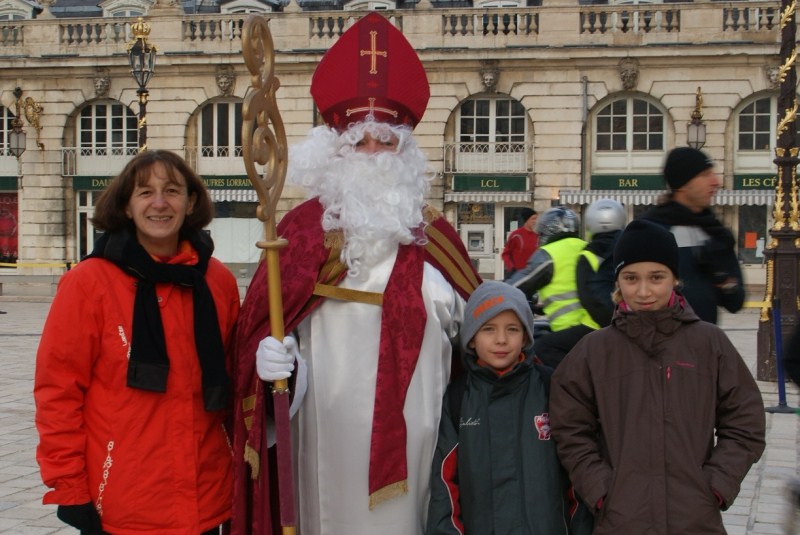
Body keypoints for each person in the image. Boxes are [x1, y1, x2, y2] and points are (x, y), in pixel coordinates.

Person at [230, 12, 481, 535]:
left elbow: (479, 337)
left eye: (385, 143)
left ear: (406, 151)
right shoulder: (299, 234)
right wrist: (271, 362)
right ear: (337, 151)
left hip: (419, 438)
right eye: (360, 142)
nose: (373, 155)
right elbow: (263, 325)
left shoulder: (435, 237)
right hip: (321, 435)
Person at [34, 150, 241, 534]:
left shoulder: (217, 281)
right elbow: (58, 392)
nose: (159, 203)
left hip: (207, 497)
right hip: (124, 501)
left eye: (173, 191)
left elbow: (236, 382)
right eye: (145, 192)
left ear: (190, 201)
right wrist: (69, 487)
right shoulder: (89, 283)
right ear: (127, 206)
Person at [550, 219, 766, 534]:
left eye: (656, 277)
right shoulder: (594, 351)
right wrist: (599, 489)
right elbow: (569, 428)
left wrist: (716, 484)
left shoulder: (709, 344)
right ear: (617, 282)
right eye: (631, 278)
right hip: (621, 519)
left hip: (695, 519)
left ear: (675, 278)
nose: (643, 291)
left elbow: (745, 422)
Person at [426, 280, 592, 535]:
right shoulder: (458, 399)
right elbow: (444, 486)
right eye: (489, 329)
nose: (501, 340)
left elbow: (578, 475)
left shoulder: (550, 388)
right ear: (471, 338)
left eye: (512, 329)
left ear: (525, 335)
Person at [638, 146, 745, 324]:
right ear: (683, 184)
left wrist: (724, 281)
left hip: (703, 344)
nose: (716, 182)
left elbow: (736, 302)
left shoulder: (716, 233)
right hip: (657, 343)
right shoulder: (649, 230)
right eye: (705, 175)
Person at [506, 206, 594, 368]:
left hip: (568, 327)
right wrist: (541, 306)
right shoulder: (586, 247)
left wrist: (491, 291)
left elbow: (517, 285)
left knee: (538, 350)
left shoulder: (549, 253)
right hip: (593, 325)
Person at [576, 198, 626, 328]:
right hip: (629, 319)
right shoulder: (629, 247)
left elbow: (587, 298)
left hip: (596, 325)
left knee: (546, 344)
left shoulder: (587, 255)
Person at [501, 207, 538, 278]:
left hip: (532, 276)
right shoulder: (516, 235)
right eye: (533, 219)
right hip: (517, 275)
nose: (535, 221)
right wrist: (511, 268)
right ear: (526, 220)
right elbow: (505, 254)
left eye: (536, 219)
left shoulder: (537, 236)